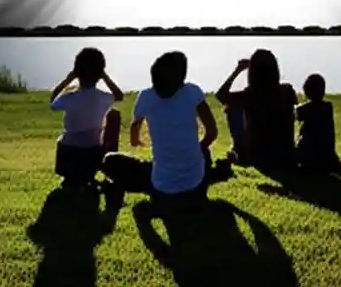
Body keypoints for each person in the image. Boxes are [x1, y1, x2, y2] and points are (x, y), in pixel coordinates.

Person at [101, 51, 221, 212]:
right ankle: (196, 191)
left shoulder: (146, 96)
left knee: (110, 160)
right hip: (196, 183)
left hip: (161, 186)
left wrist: (136, 141)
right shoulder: (193, 92)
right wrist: (196, 148)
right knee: (204, 151)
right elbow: (212, 133)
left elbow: (135, 128)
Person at [49, 47, 124, 189]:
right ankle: (88, 175)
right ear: (99, 74)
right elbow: (119, 96)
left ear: (77, 73)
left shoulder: (70, 98)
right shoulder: (103, 97)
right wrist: (105, 77)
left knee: (62, 139)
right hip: (93, 152)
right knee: (110, 118)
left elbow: (52, 102)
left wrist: (67, 80)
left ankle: (69, 176)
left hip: (70, 153)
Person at [216, 49, 297, 171]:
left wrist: (238, 70)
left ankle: (238, 150)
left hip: (257, 156)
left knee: (231, 109)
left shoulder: (250, 95)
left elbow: (221, 95)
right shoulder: (287, 91)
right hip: (285, 155)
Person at [295, 73, 340, 173]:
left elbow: (294, 115)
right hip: (327, 157)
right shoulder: (328, 107)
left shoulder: (303, 110)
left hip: (309, 157)